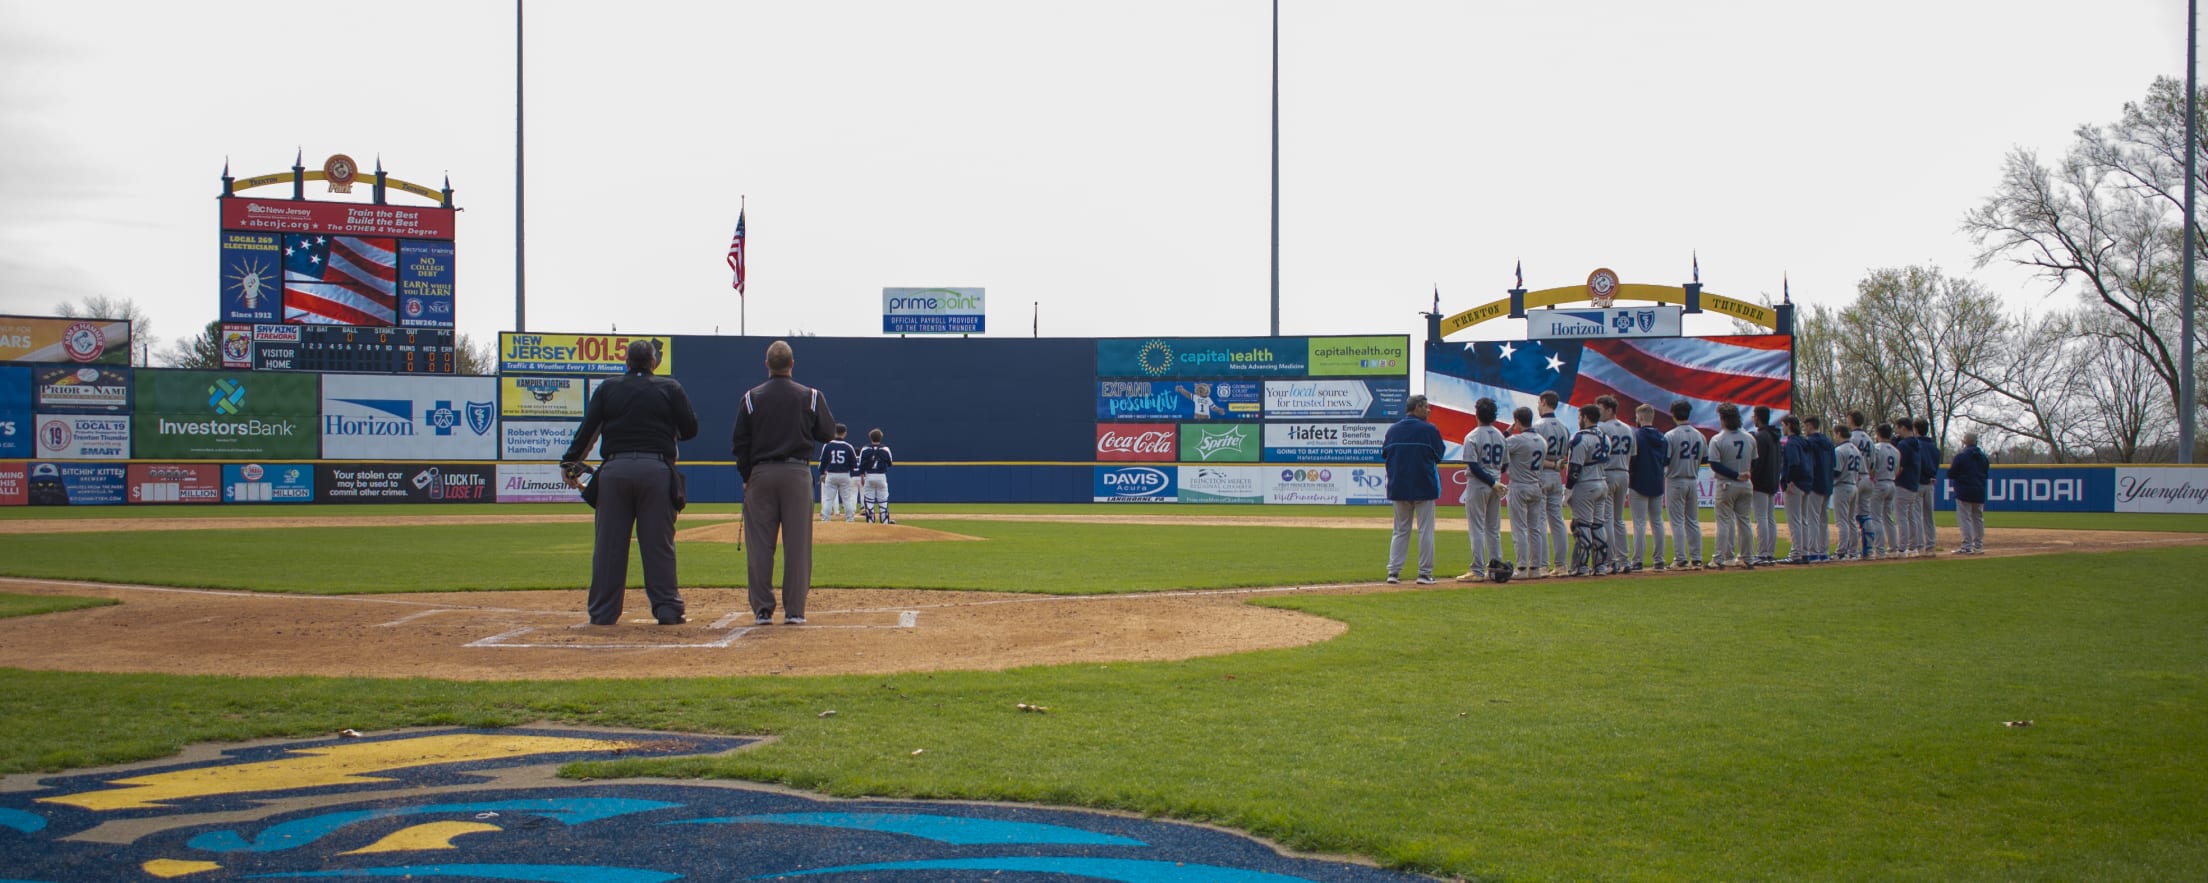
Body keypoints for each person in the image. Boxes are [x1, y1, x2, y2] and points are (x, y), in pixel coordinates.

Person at [561, 339, 699, 626]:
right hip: (656, 470)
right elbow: (690, 429)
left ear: (626, 362)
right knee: (658, 545)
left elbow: (588, 432)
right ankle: (667, 610)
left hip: (614, 470)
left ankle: (603, 612)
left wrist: (570, 462)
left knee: (609, 546)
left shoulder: (608, 388)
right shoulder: (670, 388)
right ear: (653, 363)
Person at [730, 339, 839, 625]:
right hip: (797, 473)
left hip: (761, 473)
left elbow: (739, 444)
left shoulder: (751, 397)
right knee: (797, 546)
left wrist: (747, 476)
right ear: (792, 364)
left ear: (767, 365)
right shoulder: (811, 396)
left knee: (760, 546)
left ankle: (763, 610)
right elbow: (827, 433)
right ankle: (794, 611)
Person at [1383, 394, 1445, 585]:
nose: (1428, 410)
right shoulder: (1429, 429)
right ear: (1417, 407)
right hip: (1424, 485)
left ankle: (1393, 573)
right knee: (1425, 530)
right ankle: (1424, 574)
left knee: (1400, 531)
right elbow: (1439, 455)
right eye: (1426, 407)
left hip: (1399, 486)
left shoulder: (1393, 430)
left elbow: (1385, 454)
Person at [1457, 398, 1506, 582]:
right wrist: (1494, 481)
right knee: (1493, 529)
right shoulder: (1501, 436)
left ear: (1477, 413)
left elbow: (1473, 466)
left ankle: (1477, 570)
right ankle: (1496, 568)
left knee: (1477, 528)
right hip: (1496, 484)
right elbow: (1505, 465)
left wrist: (1491, 482)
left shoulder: (1472, 436)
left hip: (1479, 484)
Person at [1706, 403, 1758, 569]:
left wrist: (1735, 475)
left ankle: (1719, 558)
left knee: (1723, 522)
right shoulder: (1749, 437)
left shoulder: (1718, 438)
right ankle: (1748, 557)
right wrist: (1745, 473)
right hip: (1745, 484)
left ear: (1723, 418)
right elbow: (1755, 461)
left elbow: (1715, 464)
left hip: (1726, 484)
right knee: (1744, 522)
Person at [1502, 406, 1548, 580]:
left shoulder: (1517, 440)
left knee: (1519, 528)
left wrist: (1507, 432)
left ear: (1517, 421)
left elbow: (1499, 445)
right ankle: (1535, 568)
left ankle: (1521, 568)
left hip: (1519, 485)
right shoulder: (1542, 440)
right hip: (1536, 484)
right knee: (1534, 528)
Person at [1565, 403, 1611, 576]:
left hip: (1586, 484)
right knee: (1598, 525)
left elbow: (1574, 468)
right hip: (1601, 482)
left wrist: (1568, 490)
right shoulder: (1605, 437)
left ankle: (1581, 566)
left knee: (1581, 525)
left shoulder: (1580, 438)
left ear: (1585, 417)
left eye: (1579, 417)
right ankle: (1600, 565)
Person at [1661, 400, 1706, 569]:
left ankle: (1680, 558)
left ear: (1673, 414)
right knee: (1693, 520)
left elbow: (1665, 459)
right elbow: (1705, 458)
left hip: (1676, 479)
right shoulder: (1699, 435)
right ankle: (1697, 558)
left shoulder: (1670, 435)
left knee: (1677, 522)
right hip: (1693, 479)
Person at [1532, 391, 1572, 578]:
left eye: (1539, 403)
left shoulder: (1538, 426)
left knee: (1539, 520)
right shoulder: (1564, 428)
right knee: (1557, 521)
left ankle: (1542, 565)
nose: (1538, 406)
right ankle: (1561, 565)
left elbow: (1535, 457)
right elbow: (1566, 456)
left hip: (1543, 473)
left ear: (1545, 403)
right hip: (1557, 475)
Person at [1595, 395, 1635, 573]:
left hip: (1608, 472)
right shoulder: (1628, 428)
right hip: (1624, 472)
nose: (1598, 412)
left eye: (1601, 409)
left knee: (1607, 519)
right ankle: (1624, 560)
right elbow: (1633, 454)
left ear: (1609, 409)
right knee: (1619, 520)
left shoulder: (1602, 428)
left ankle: (1611, 561)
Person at [1627, 403, 1668, 572]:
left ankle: (1637, 560)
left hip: (1639, 482)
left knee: (1639, 523)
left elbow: (1633, 459)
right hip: (1657, 481)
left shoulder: (1636, 436)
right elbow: (1666, 460)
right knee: (1657, 521)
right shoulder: (1662, 437)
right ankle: (1659, 559)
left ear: (1641, 417)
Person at [1749, 405, 1783, 566]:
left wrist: (1752, 477)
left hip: (1761, 482)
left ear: (1758, 417)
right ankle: (1769, 552)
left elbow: (1758, 462)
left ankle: (1763, 553)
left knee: (1761, 517)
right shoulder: (1774, 436)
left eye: (1754, 416)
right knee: (1770, 518)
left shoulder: (1761, 437)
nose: (1752, 418)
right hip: (1772, 480)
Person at [1830, 417, 1866, 560]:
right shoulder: (1856, 450)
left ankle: (1841, 551)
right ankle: (1853, 551)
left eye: (1835, 433)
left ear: (1839, 434)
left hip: (1842, 486)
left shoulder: (1839, 450)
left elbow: (1836, 471)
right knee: (1851, 520)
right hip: (1853, 485)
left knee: (1842, 521)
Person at [1801, 416, 1836, 563]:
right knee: (1823, 520)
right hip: (1827, 483)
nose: (1804, 429)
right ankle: (1824, 552)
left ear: (1810, 426)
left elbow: (1809, 464)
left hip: (1815, 483)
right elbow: (1834, 464)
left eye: (1805, 426)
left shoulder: (1810, 442)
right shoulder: (1829, 442)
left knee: (1813, 519)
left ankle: (1813, 552)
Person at [1949, 431, 1990, 554]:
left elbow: (1951, 473)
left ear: (1964, 442)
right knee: (1978, 518)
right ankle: (1978, 546)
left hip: (1964, 491)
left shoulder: (1961, 456)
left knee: (1965, 518)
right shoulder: (1983, 457)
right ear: (1976, 442)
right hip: (1979, 491)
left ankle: (1967, 546)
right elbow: (1986, 473)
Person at [1779, 415, 1811, 564]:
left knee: (1795, 520)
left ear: (1789, 425)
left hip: (1795, 483)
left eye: (1784, 425)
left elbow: (1793, 462)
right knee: (1803, 519)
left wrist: (1789, 480)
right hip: (1806, 483)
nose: (1782, 428)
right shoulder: (1804, 442)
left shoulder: (1791, 443)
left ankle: (1796, 553)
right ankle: (1804, 551)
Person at [1891, 419, 1924, 558]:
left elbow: (1901, 466)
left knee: (1902, 517)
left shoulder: (1904, 444)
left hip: (1903, 483)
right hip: (1914, 483)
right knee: (1911, 516)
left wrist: (1893, 477)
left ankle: (1902, 548)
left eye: (1897, 428)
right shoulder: (1916, 442)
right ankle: (1913, 547)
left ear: (1903, 427)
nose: (1896, 431)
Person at [1869, 423, 1901, 559]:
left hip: (1879, 482)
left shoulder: (1876, 448)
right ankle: (1893, 549)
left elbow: (1872, 467)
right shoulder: (1896, 450)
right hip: (1891, 482)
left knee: (1876, 518)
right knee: (1888, 518)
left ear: (1878, 433)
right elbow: (1897, 469)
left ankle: (1880, 550)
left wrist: (1871, 478)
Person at [817, 424, 860, 523]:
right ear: (845, 433)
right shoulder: (848, 447)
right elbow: (854, 465)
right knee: (847, 499)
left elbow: (822, 462)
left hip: (831, 475)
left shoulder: (827, 445)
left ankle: (825, 519)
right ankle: (850, 519)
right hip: (844, 475)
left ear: (834, 432)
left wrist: (822, 473)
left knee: (828, 499)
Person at [1913, 417, 1940, 556]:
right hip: (1930, 483)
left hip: (1918, 483)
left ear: (1916, 429)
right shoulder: (1934, 447)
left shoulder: (1916, 445)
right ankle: (1931, 545)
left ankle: (1919, 546)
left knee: (1916, 515)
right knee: (1929, 516)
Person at [858, 428, 896, 524]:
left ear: (870, 437)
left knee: (869, 500)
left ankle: (870, 522)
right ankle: (885, 521)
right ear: (881, 437)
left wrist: (862, 476)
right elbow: (890, 463)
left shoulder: (865, 449)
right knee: (883, 500)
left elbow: (861, 464)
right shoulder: (885, 449)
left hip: (869, 476)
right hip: (881, 476)